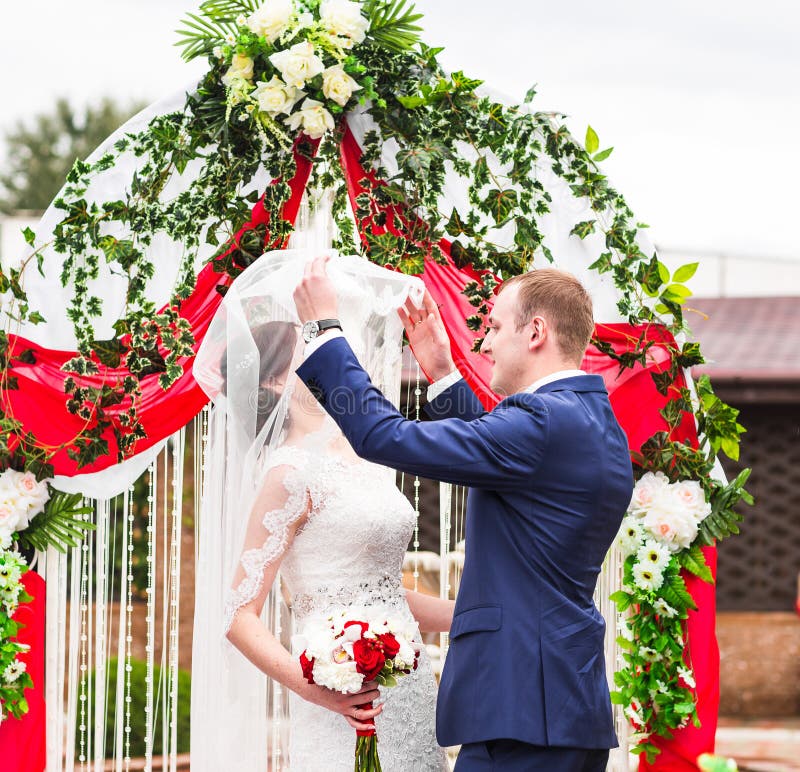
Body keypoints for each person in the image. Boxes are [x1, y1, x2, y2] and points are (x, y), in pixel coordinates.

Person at [293, 257, 634, 772]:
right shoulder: (590, 419)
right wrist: (442, 373)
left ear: (536, 331)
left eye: (495, 327)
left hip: (520, 712)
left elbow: (383, 436)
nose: (487, 343)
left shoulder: (542, 421)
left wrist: (324, 332)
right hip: (556, 703)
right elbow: (507, 463)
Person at [192, 249, 451, 772]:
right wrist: (315, 690)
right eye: (306, 351)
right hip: (339, 702)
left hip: (411, 689)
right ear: (270, 383)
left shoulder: (364, 454)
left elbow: (376, 586)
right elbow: (239, 616)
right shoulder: (287, 473)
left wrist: (477, 616)